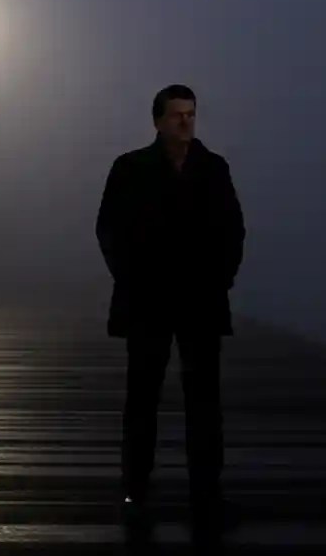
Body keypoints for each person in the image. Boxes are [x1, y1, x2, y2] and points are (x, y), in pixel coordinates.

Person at [95, 83, 246, 529]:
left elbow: (233, 230)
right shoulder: (130, 168)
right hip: (148, 299)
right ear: (158, 120)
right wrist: (130, 276)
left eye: (191, 114)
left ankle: (205, 484)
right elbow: (109, 229)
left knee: (204, 397)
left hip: (200, 299)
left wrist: (221, 279)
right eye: (178, 114)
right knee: (142, 395)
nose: (186, 122)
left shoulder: (214, 169)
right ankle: (136, 483)